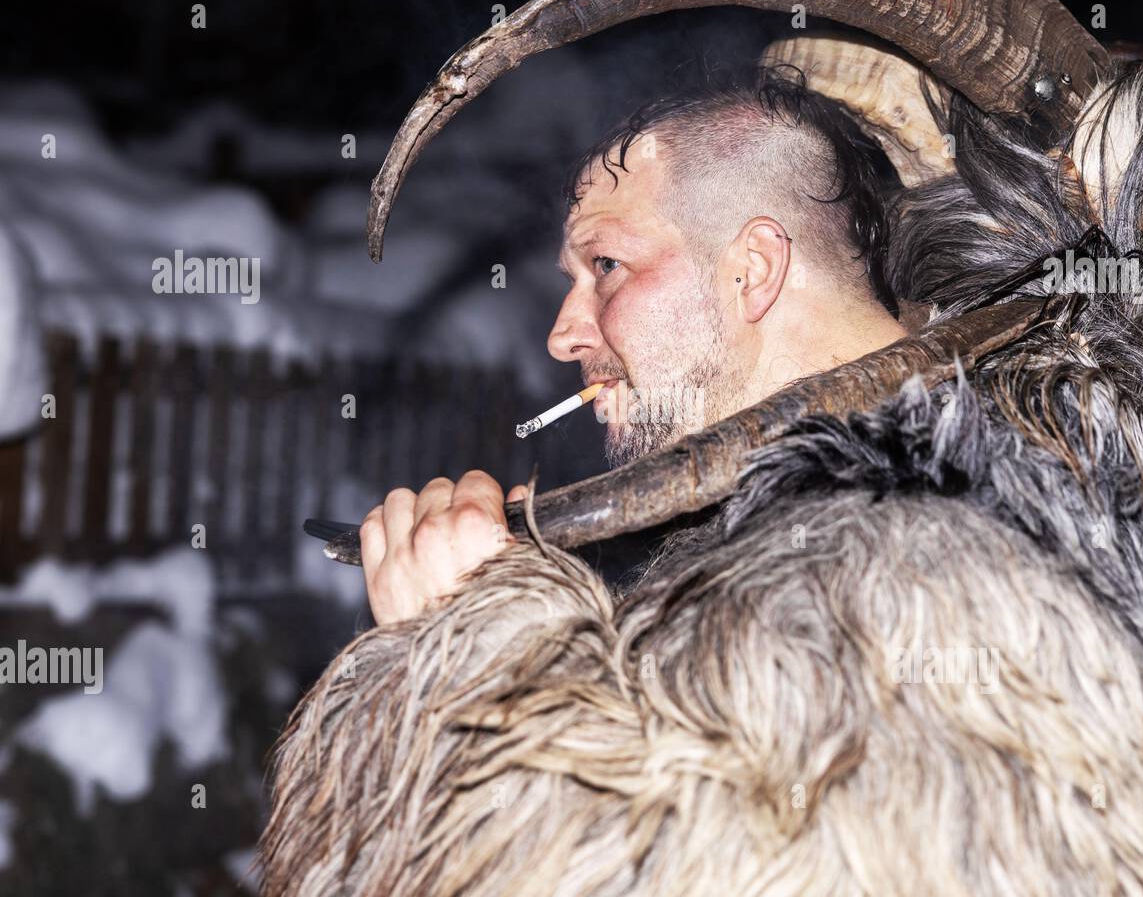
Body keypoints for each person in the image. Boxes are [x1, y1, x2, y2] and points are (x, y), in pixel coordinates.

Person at [360, 66, 908, 624]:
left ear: (753, 269)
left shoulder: (916, 537)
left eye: (606, 264)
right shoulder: (775, 536)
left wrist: (482, 655)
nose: (562, 338)